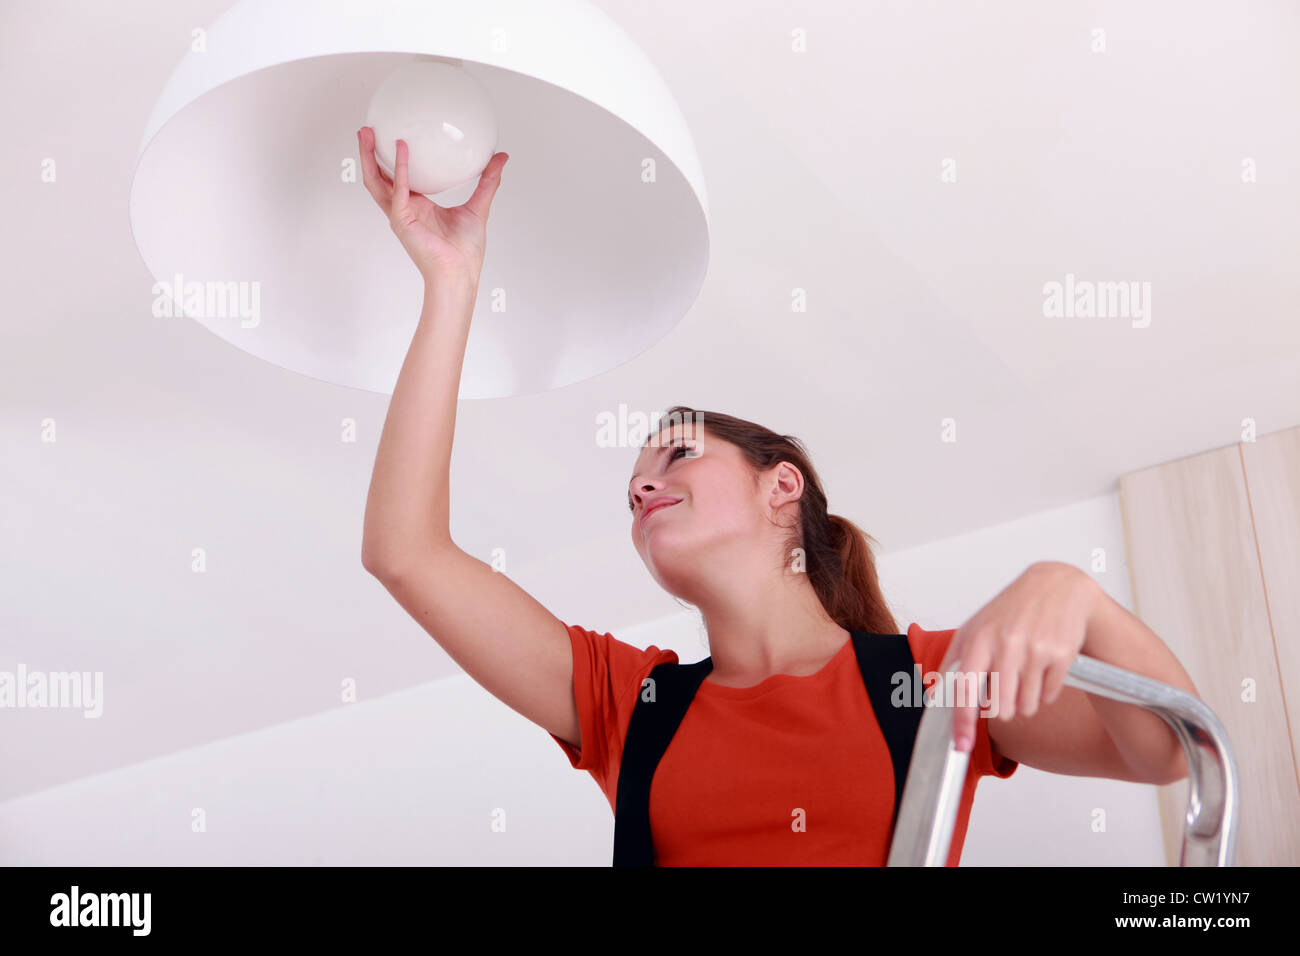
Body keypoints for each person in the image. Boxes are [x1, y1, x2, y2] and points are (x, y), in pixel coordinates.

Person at [356, 128, 1195, 866]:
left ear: (781, 486)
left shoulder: (930, 682)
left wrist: (1072, 591)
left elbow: (1168, 752)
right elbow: (406, 553)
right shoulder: (627, 705)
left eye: (678, 453)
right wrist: (453, 282)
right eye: (631, 488)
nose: (643, 484)